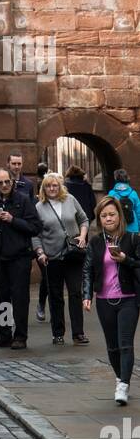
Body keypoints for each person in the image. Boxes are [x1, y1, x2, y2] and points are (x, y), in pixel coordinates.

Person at [83, 196, 140, 405]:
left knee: (126, 344)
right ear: (99, 219)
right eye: (104, 215)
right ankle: (119, 377)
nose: (108, 218)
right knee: (112, 347)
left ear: (119, 216)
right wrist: (87, 295)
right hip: (104, 299)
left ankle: (123, 386)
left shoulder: (132, 239)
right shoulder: (96, 242)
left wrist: (126, 259)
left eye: (112, 214)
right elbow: (88, 269)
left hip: (129, 299)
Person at [0, 168, 40, 349]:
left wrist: (12, 219)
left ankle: (20, 336)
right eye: (0, 183)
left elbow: (35, 227)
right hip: (1, 256)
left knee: (20, 298)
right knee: (3, 299)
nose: (4, 185)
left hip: (20, 257)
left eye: (7, 181)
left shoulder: (23, 200)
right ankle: (4, 335)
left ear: (12, 182)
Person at [33, 171, 89, 346]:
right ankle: (58, 333)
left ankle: (78, 333)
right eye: (48, 186)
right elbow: (35, 234)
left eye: (55, 185)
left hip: (72, 254)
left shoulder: (70, 199)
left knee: (75, 293)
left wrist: (82, 236)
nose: (52, 188)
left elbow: (84, 219)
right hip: (52, 257)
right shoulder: (39, 207)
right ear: (43, 188)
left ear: (60, 186)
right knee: (55, 295)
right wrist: (40, 252)